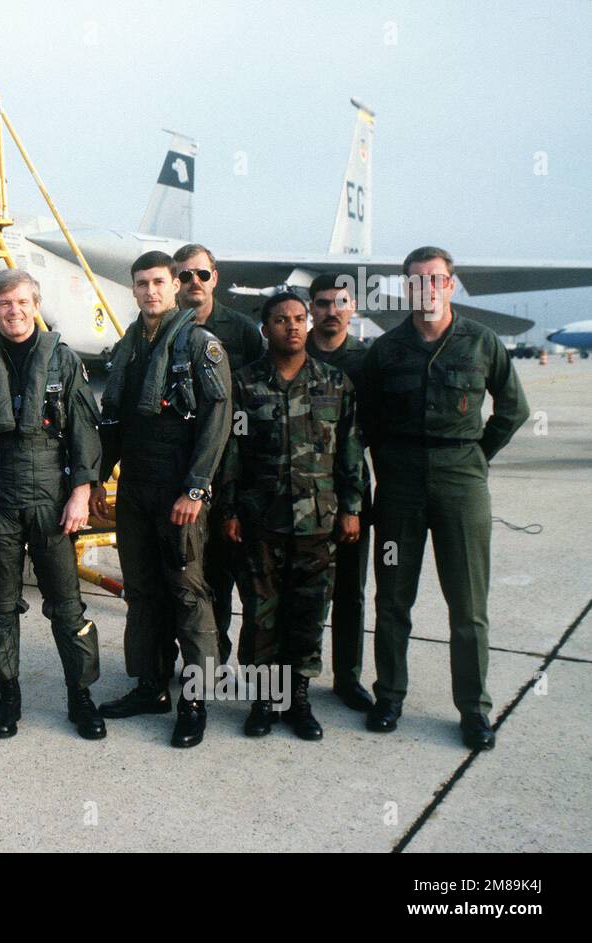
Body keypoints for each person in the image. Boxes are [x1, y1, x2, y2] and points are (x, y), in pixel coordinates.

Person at [361, 247, 529, 750]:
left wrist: (477, 456)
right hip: (401, 489)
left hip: (461, 483)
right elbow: (364, 421)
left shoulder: (480, 343)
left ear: (450, 285)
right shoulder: (386, 350)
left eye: (435, 279)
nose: (426, 288)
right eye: (415, 281)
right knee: (392, 600)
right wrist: (386, 470)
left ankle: (474, 710)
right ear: (405, 288)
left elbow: (513, 409)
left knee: (468, 605)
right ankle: (389, 696)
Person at [0, 269, 106, 741]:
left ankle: (80, 697)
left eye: (21, 302)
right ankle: (8, 696)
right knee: (0, 607)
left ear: (35, 305)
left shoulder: (64, 362)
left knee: (67, 606)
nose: (13, 311)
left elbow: (84, 430)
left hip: (51, 501)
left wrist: (81, 491)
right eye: (3, 304)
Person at [90, 251, 232, 748]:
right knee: (143, 592)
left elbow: (217, 419)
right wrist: (95, 480)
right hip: (135, 490)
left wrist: (195, 488)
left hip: (179, 492)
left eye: (159, 282)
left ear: (175, 286)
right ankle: (150, 686)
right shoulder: (128, 347)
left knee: (188, 592)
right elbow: (112, 423)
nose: (151, 291)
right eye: (141, 284)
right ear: (133, 291)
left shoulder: (199, 345)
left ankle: (194, 700)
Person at [219, 289, 363, 740]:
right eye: (282, 320)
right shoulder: (243, 385)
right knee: (261, 615)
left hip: (316, 524)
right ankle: (264, 700)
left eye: (300, 318)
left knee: (307, 613)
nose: (294, 326)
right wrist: (228, 510)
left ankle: (297, 697)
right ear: (266, 330)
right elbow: (229, 454)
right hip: (260, 522)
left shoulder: (334, 384)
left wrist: (351, 509)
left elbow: (351, 454)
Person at [173, 243, 265, 666]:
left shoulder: (242, 330)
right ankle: (192, 662)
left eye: (202, 275)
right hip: (178, 469)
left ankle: (220, 663)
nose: (194, 282)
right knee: (187, 576)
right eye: (185, 275)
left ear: (215, 278)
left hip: (230, 472)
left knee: (225, 575)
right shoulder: (164, 329)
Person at [305, 273, 375, 711]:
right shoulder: (289, 348)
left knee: (350, 588)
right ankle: (290, 677)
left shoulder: (369, 361)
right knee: (296, 587)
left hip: (348, 484)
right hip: (295, 488)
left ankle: (347, 678)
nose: (332, 310)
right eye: (323, 302)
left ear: (352, 308)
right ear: (311, 308)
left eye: (341, 302)